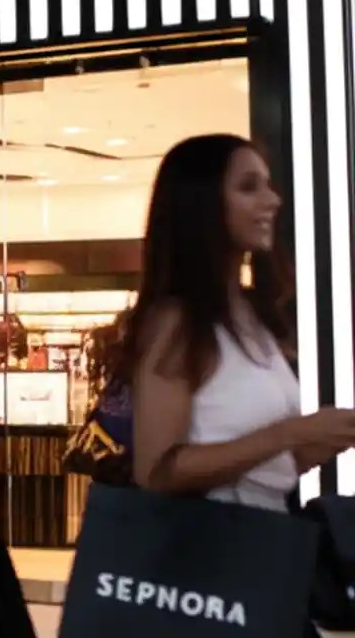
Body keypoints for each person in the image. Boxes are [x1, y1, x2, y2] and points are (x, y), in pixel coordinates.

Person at [120, 134, 355, 512]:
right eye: (249, 187)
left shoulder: (253, 315)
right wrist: (289, 433)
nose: (272, 200)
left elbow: (266, 470)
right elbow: (157, 472)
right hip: (208, 551)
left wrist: (320, 439)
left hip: (261, 540)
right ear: (202, 205)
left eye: (268, 185)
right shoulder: (177, 322)